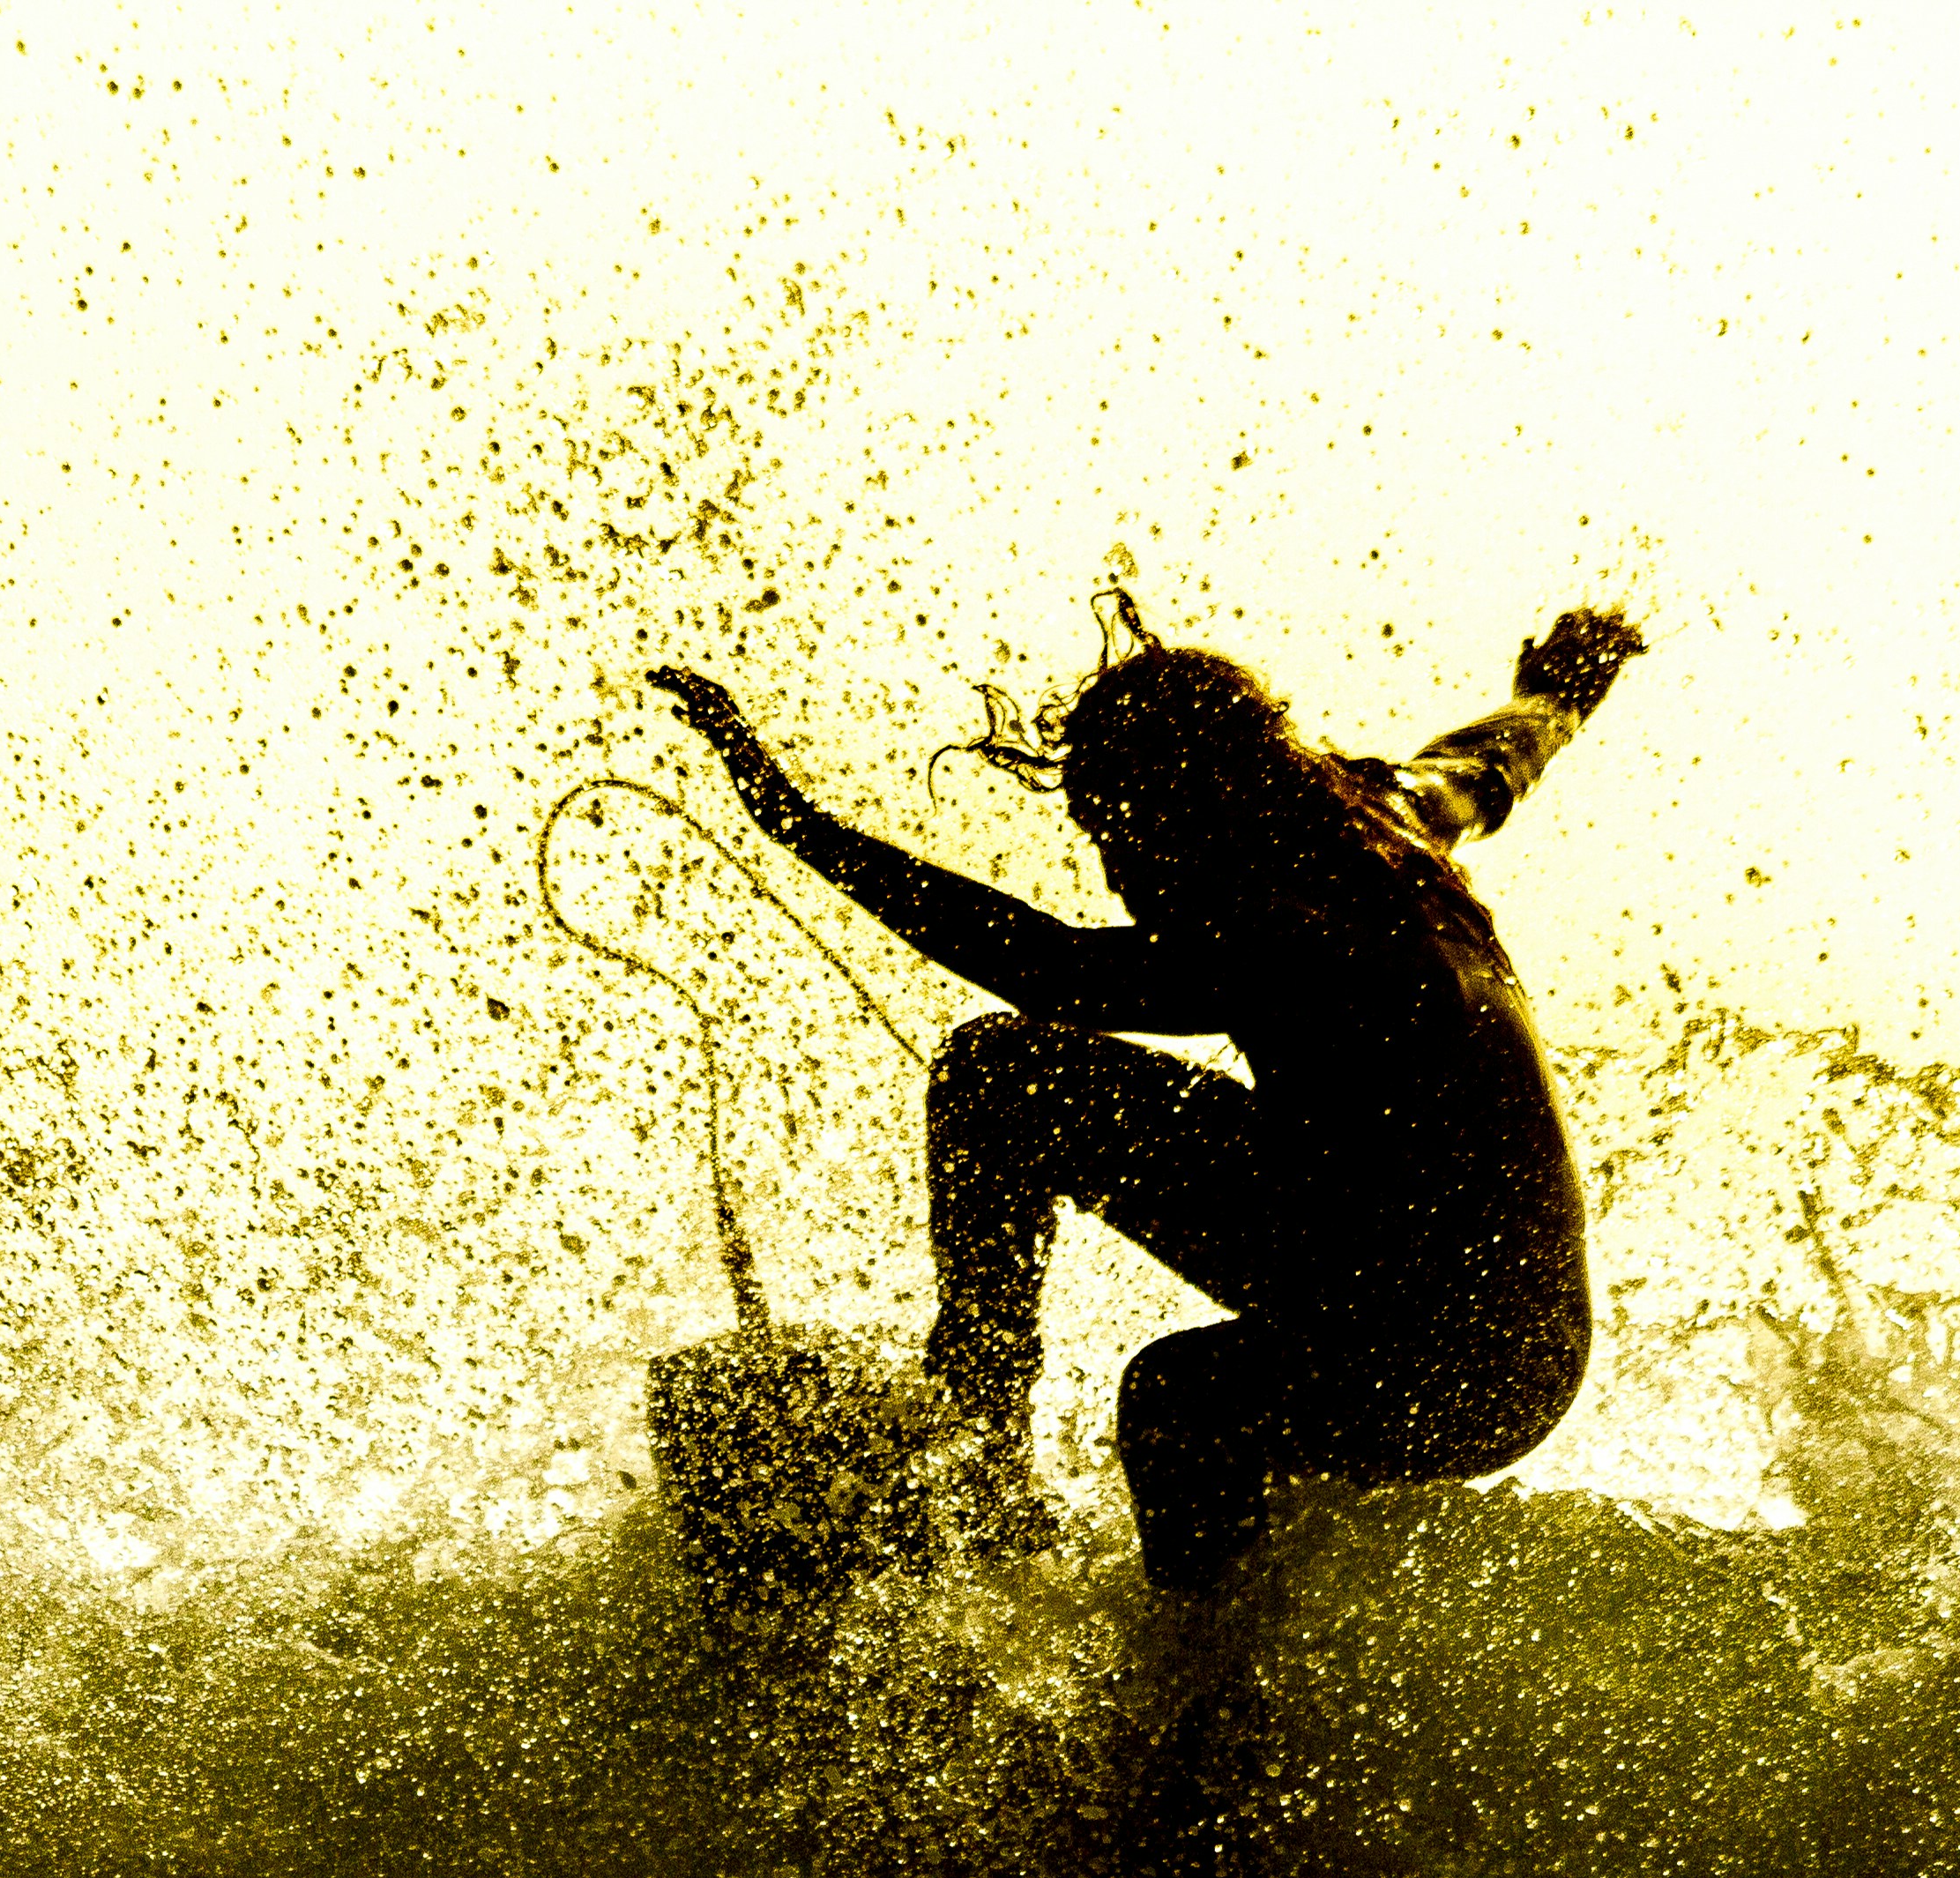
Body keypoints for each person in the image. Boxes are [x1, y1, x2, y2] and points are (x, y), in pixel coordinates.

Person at [647, 589, 1641, 1591]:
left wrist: (796, 821)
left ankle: (1194, 1699)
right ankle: (978, 1434)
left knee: (1179, 1395)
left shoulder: (1293, 931)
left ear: (1190, 807)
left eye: (1114, 833)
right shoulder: (1376, 813)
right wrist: (1551, 699)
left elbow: (1054, 968)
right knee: (1005, 1076)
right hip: (1371, 1246)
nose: (1115, 871)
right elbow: (1489, 763)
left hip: (1471, 1360)